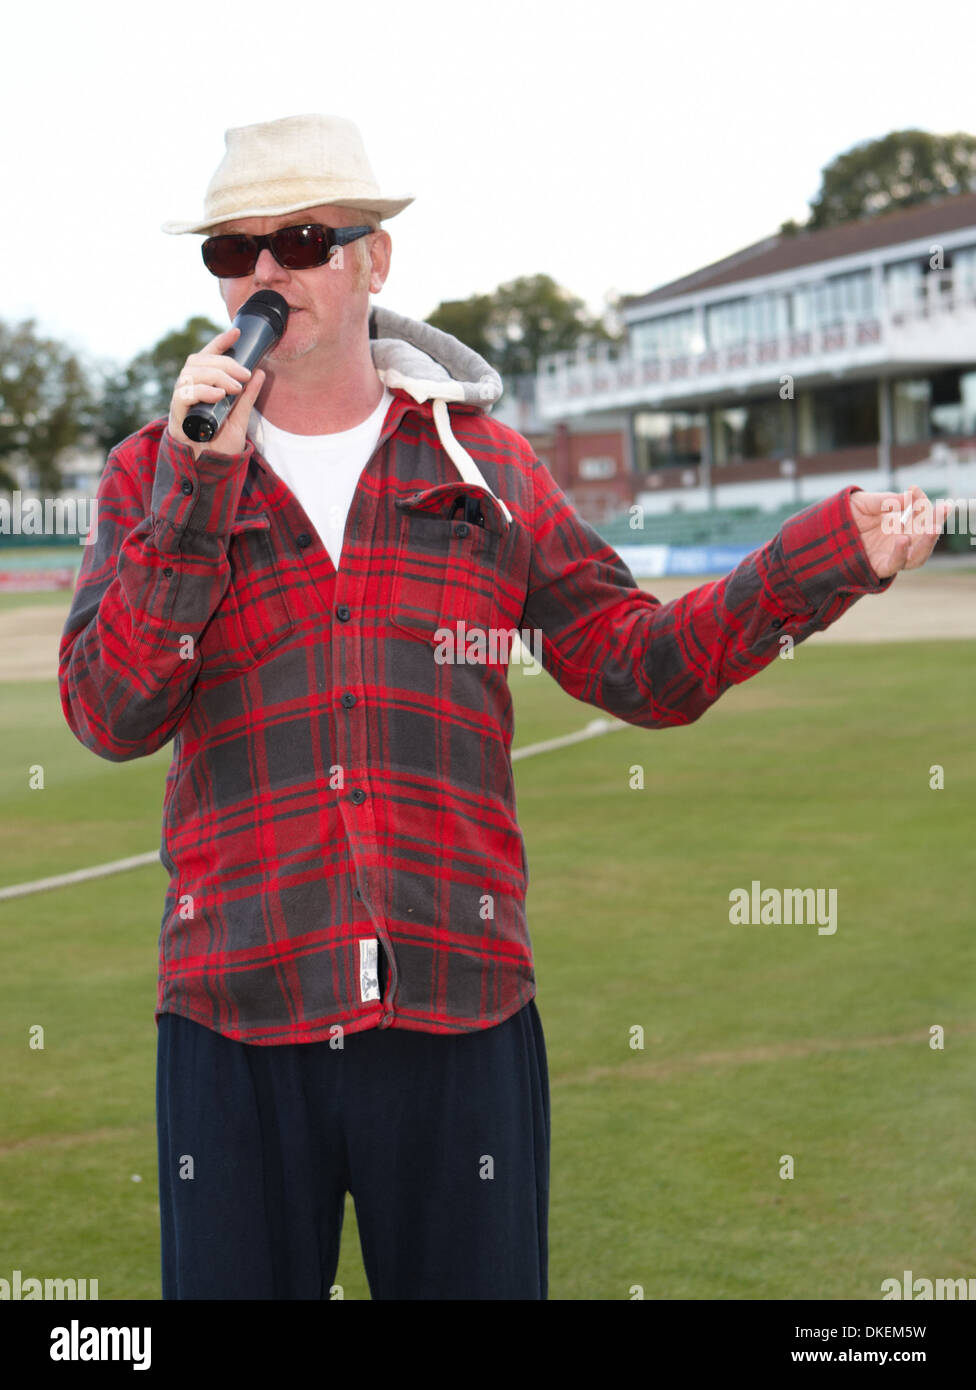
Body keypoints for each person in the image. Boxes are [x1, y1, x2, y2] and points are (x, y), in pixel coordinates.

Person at [58, 113, 947, 1301]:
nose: (266, 271)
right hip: (238, 1010)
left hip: (457, 1005)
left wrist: (823, 558)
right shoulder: (149, 470)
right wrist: (193, 486)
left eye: (305, 238)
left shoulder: (483, 463)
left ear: (376, 259)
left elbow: (641, 665)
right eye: (233, 248)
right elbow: (111, 711)